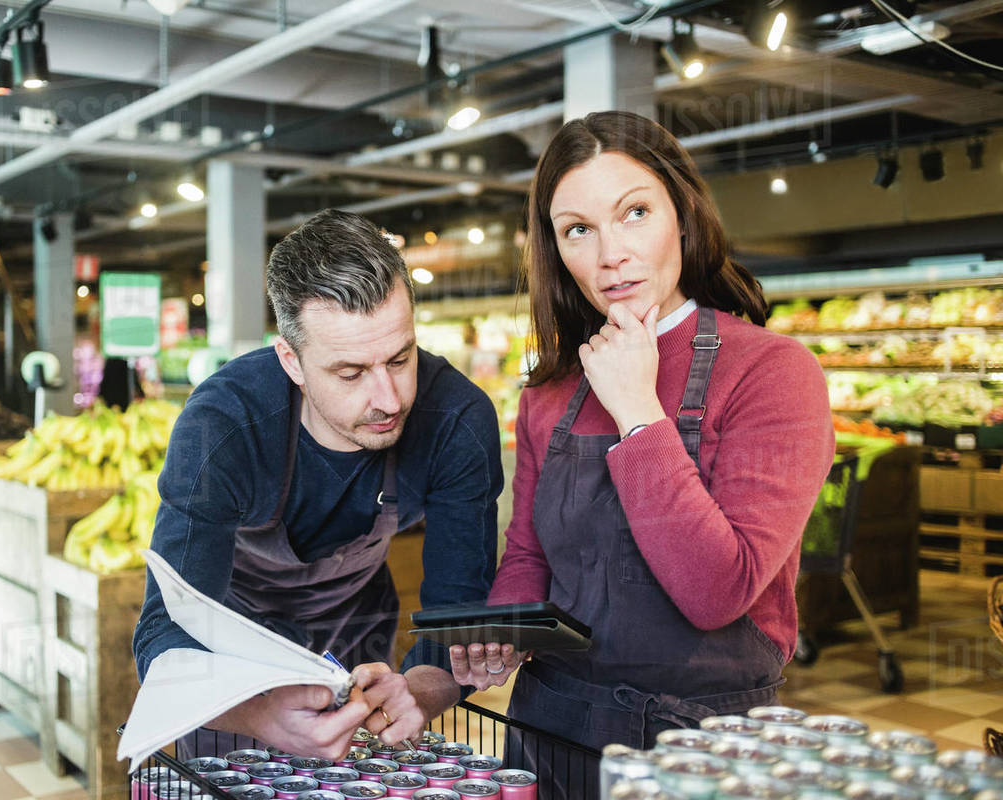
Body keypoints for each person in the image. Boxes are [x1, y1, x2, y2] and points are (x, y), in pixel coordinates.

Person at [449, 111, 834, 784]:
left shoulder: (773, 373)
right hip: (553, 727)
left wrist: (636, 408)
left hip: (707, 746)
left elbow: (720, 589)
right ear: (556, 251)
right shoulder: (549, 392)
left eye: (634, 213)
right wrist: (503, 630)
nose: (609, 255)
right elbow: (530, 553)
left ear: (681, 214)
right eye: (578, 230)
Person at [132, 209, 504, 760]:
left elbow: (459, 612)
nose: (389, 398)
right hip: (231, 666)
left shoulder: (455, 418)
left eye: (401, 358)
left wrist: (418, 692)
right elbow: (163, 635)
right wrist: (260, 712)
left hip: (359, 637)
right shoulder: (224, 426)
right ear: (292, 361)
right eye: (350, 373)